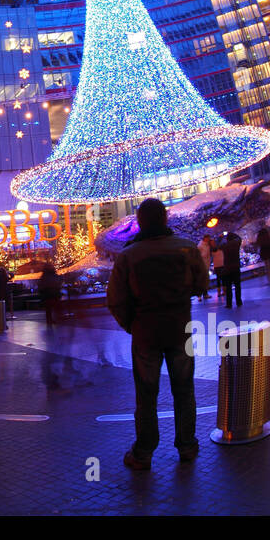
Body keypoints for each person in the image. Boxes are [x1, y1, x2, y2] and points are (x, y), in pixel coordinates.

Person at [107, 198, 206, 468]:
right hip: (180, 330)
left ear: (140, 222)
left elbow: (115, 300)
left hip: (146, 334)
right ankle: (187, 445)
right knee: (184, 390)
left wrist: (132, 325)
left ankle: (143, 453)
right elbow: (201, 283)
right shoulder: (186, 248)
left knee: (146, 395)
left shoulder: (128, 256)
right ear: (165, 218)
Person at [219, 229, 243, 308]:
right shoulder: (236, 244)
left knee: (228, 287)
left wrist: (221, 237)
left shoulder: (225, 246)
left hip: (227, 269)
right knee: (237, 285)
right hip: (236, 267)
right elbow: (239, 238)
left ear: (227, 239)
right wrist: (231, 233)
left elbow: (218, 245)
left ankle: (229, 304)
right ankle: (239, 302)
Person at [197, 234, 214, 300]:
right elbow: (198, 255)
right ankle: (199, 295)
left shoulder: (207, 245)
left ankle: (205, 294)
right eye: (208, 238)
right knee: (201, 280)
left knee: (205, 280)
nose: (209, 239)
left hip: (206, 265)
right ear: (205, 238)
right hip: (202, 265)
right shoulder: (200, 246)